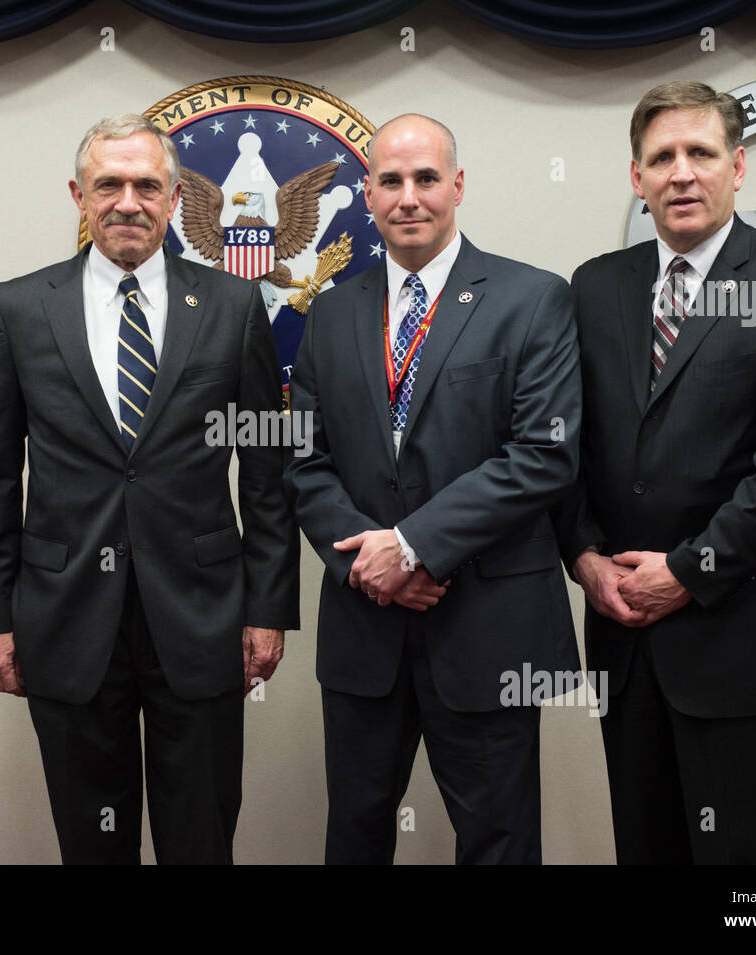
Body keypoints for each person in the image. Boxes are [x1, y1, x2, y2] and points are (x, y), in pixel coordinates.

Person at [0, 114, 298, 865]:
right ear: (78, 196)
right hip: (64, 613)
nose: (127, 201)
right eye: (108, 184)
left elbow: (266, 473)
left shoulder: (233, 304)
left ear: (175, 197)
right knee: (93, 844)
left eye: (147, 185)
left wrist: (268, 607)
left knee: (201, 840)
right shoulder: (17, 309)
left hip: (204, 612)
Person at [554, 81, 756, 864]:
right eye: (661, 157)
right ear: (636, 177)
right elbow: (564, 444)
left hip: (742, 638)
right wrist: (584, 559)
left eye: (700, 153)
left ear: (739, 166)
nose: (681, 173)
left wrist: (687, 571)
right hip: (626, 634)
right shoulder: (595, 286)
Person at [284, 114, 582, 864]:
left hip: (488, 625)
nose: (408, 196)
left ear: (458, 185)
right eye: (390, 180)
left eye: (425, 178)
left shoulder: (533, 298)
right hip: (365, 624)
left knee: (500, 840)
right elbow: (303, 458)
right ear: (367, 193)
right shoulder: (332, 312)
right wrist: (367, 562)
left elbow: (543, 455)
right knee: (354, 835)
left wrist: (412, 549)